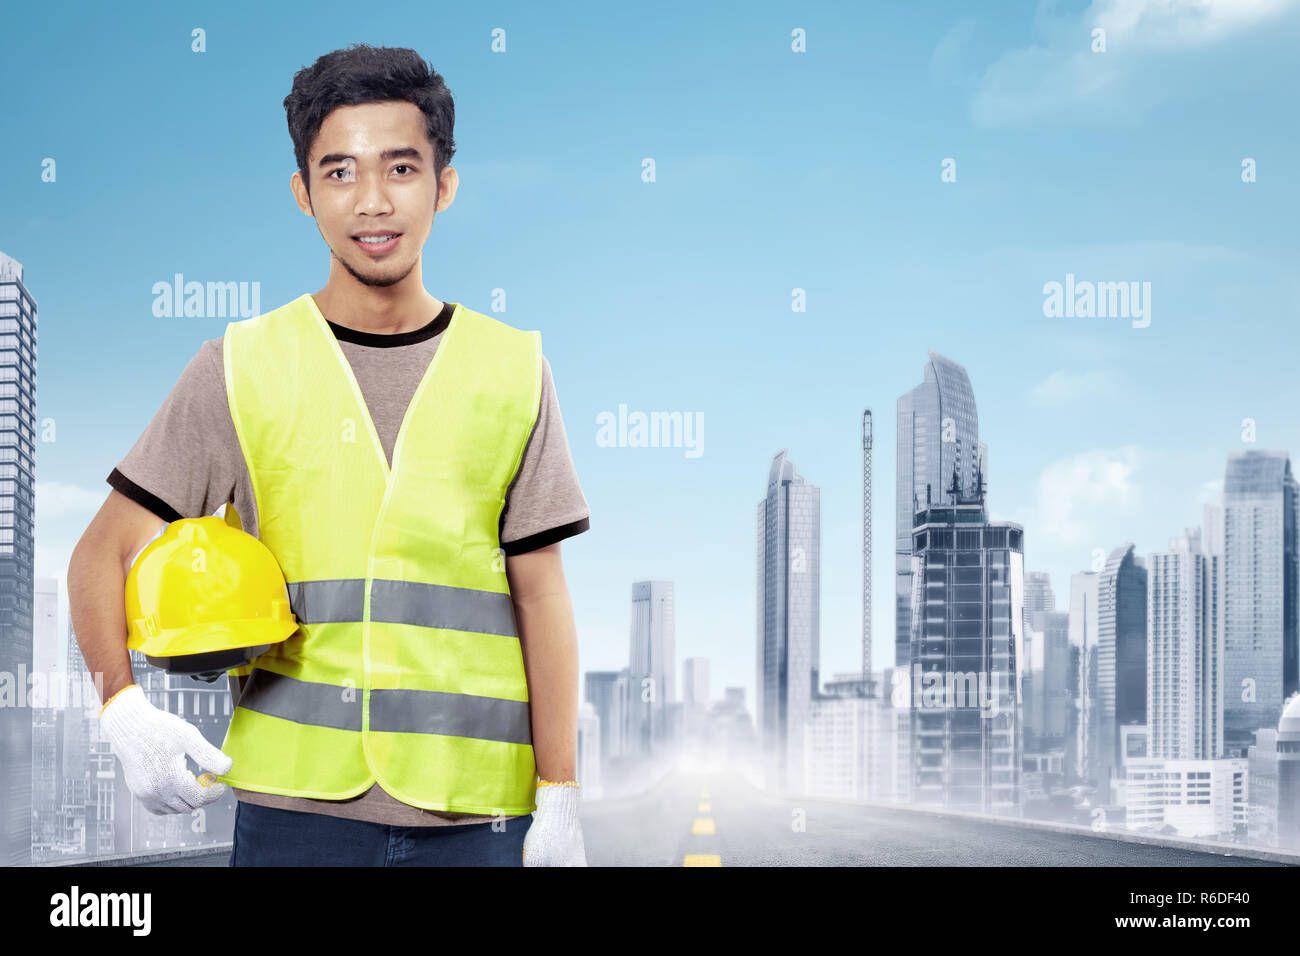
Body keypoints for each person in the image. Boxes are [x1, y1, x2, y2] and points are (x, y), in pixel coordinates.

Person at [67, 44, 590, 867]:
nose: (373, 201)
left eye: (402, 168)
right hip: (294, 816)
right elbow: (101, 553)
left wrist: (558, 797)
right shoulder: (239, 366)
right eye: (339, 172)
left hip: (480, 816)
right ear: (303, 194)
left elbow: (541, 599)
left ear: (444, 186)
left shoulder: (514, 369)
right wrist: (121, 708)